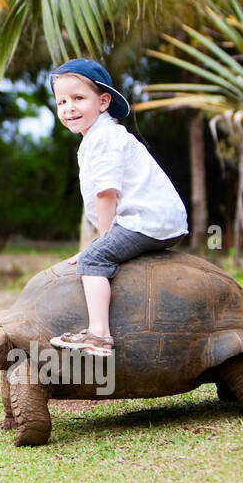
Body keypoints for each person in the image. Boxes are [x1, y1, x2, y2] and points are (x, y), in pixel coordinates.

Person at [48, 59, 188, 356]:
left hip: (147, 220)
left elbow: (106, 194)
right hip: (153, 220)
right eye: (61, 101)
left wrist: (102, 242)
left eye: (78, 98)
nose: (68, 108)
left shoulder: (105, 139)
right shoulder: (96, 137)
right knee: (96, 252)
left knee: (94, 262)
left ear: (103, 102)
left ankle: (99, 335)